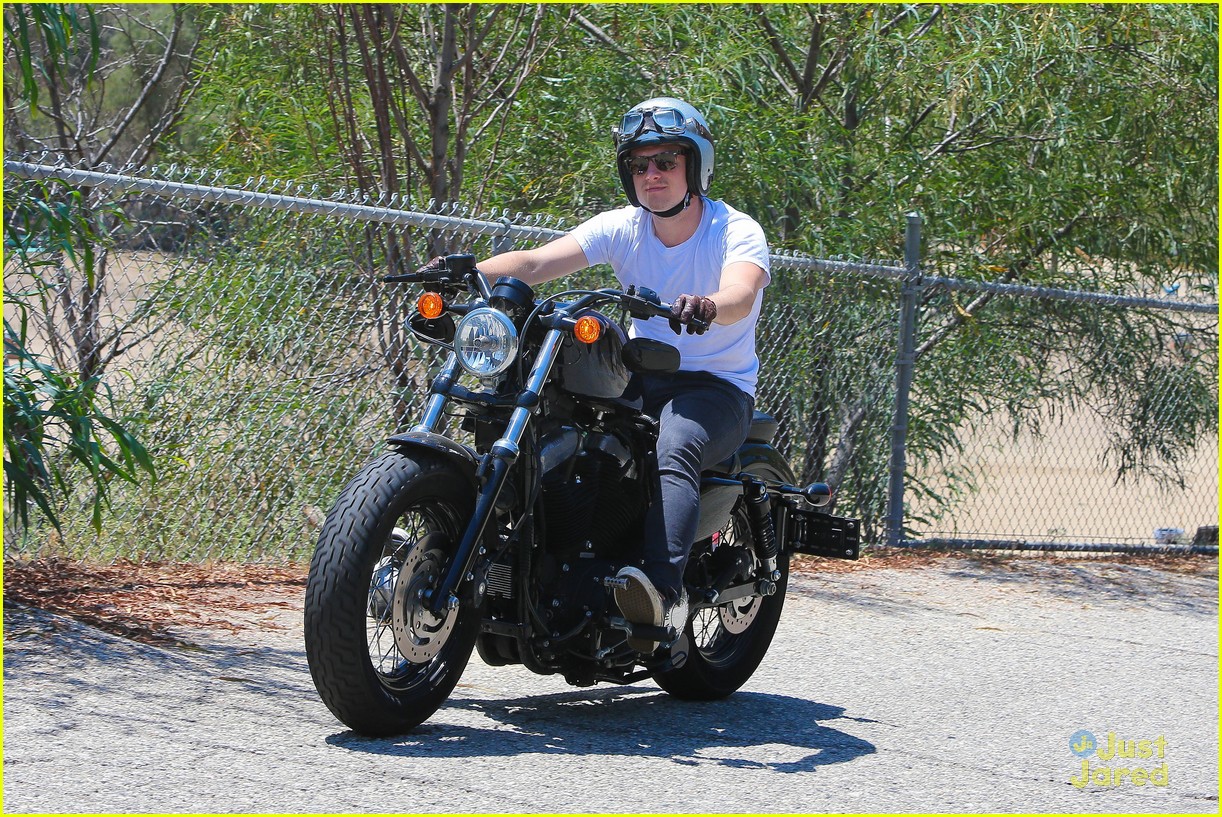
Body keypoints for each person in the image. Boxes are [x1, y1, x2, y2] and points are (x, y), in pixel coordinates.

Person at [421, 97, 771, 652]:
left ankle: (662, 592)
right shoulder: (624, 228)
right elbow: (536, 262)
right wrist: (462, 272)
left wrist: (707, 304)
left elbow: (741, 291)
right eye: (639, 165)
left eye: (666, 162)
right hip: (641, 376)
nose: (651, 175)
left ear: (695, 166)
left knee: (674, 442)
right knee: (561, 420)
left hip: (715, 388)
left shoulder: (734, 229)